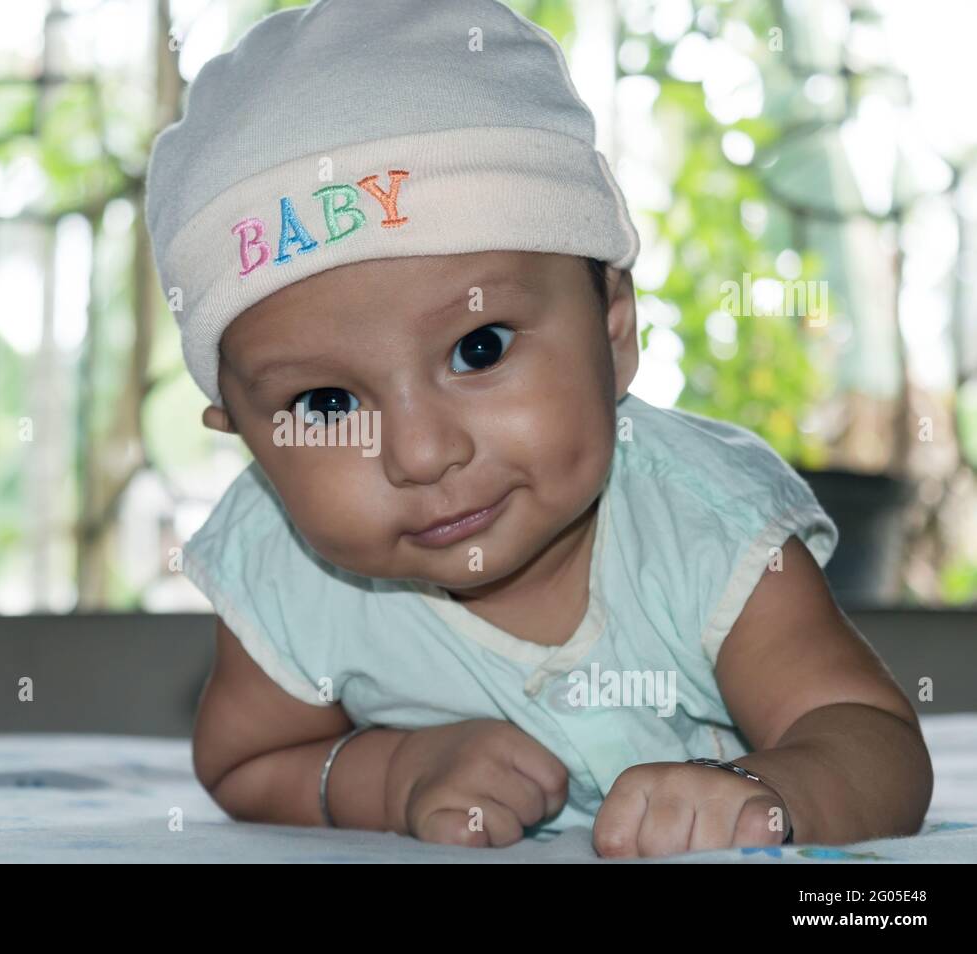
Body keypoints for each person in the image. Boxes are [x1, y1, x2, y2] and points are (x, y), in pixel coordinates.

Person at [143, 0, 931, 856]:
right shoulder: (287, 571)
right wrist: (394, 773)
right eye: (327, 406)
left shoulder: (707, 528)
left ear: (613, 328)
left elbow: (868, 739)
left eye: (479, 348)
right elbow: (249, 764)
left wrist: (761, 794)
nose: (421, 452)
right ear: (250, 441)